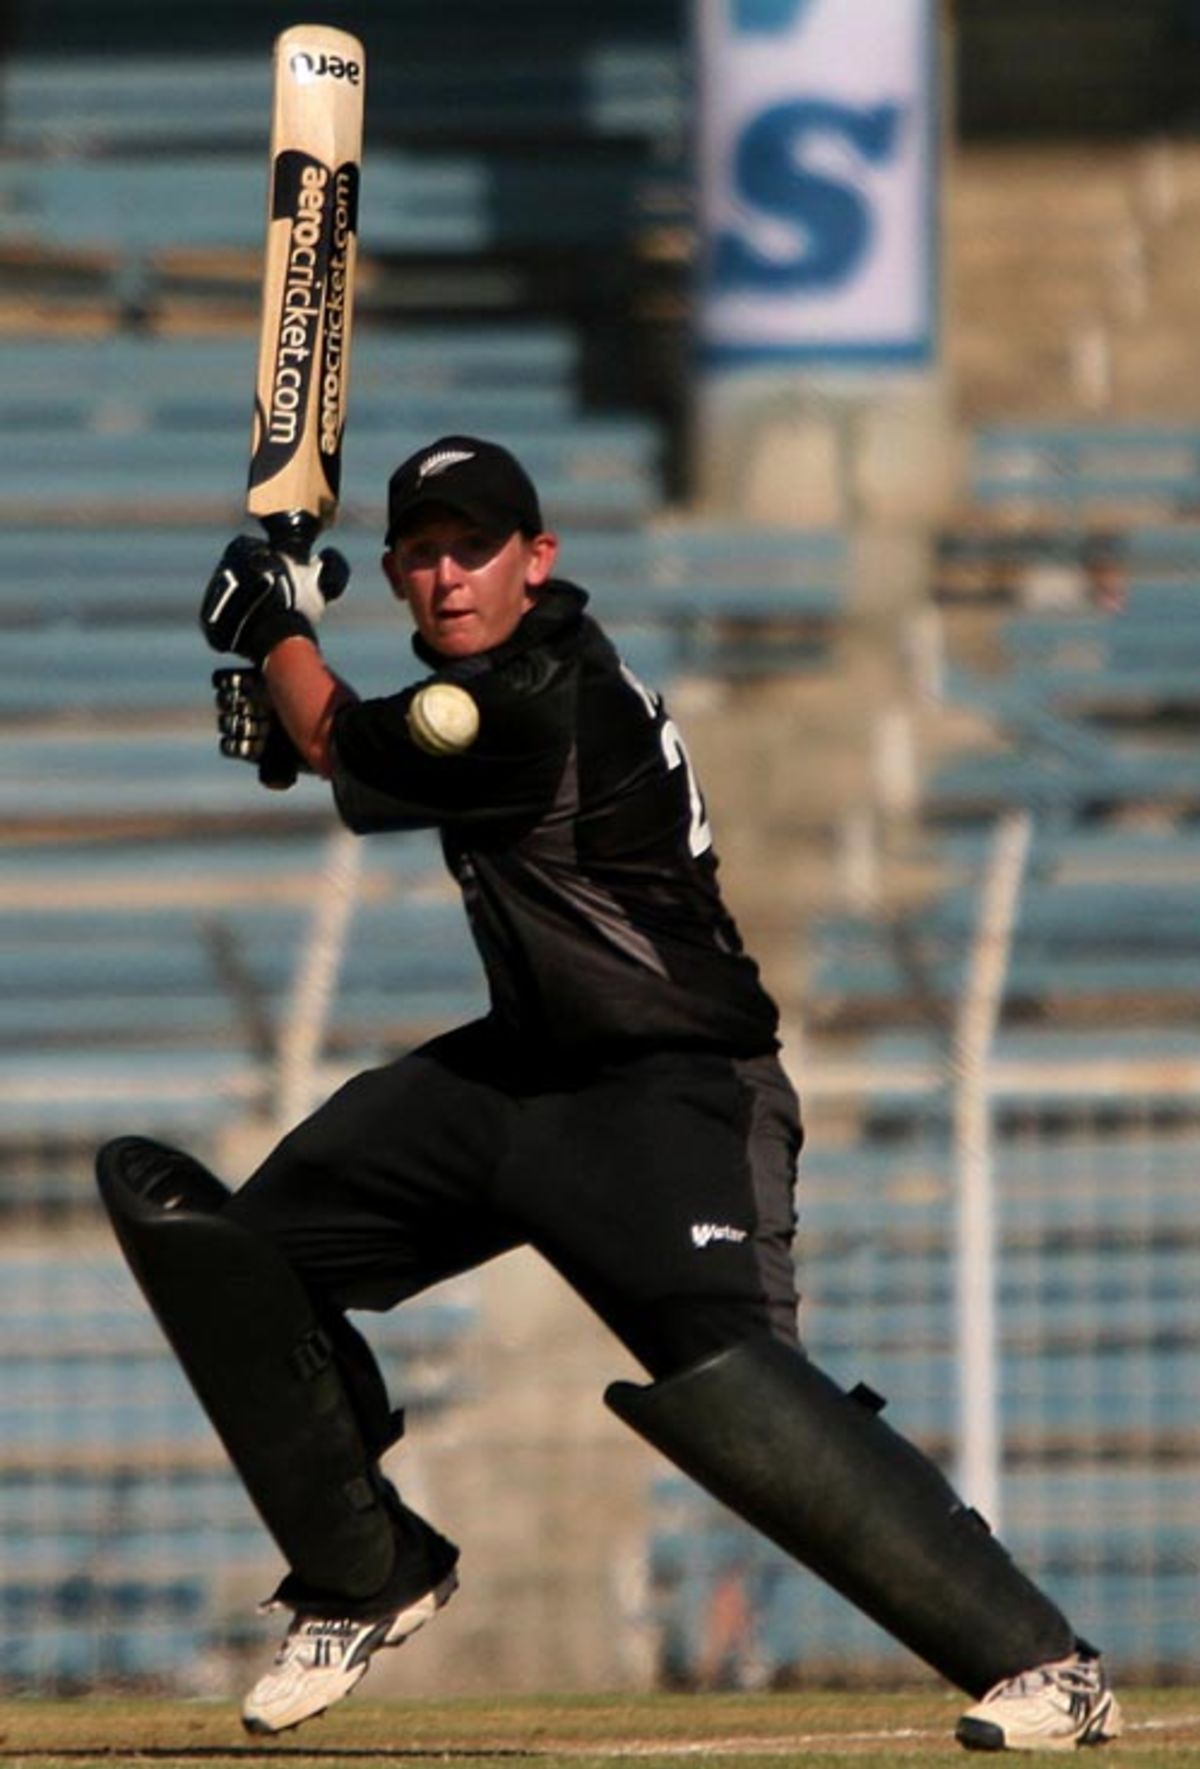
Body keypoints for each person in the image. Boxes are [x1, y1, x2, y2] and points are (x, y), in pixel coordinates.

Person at [96, 436, 1122, 1752]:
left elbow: (348, 743)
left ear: (539, 559)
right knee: (234, 1258)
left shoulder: (543, 695)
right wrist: (303, 697)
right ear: (397, 574)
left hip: (674, 1090)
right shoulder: (488, 696)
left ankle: (1047, 1665)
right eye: (424, 553)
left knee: (738, 1389)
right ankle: (364, 1574)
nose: (450, 575)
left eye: (477, 550)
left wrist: (276, 625)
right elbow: (368, 752)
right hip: (516, 1076)